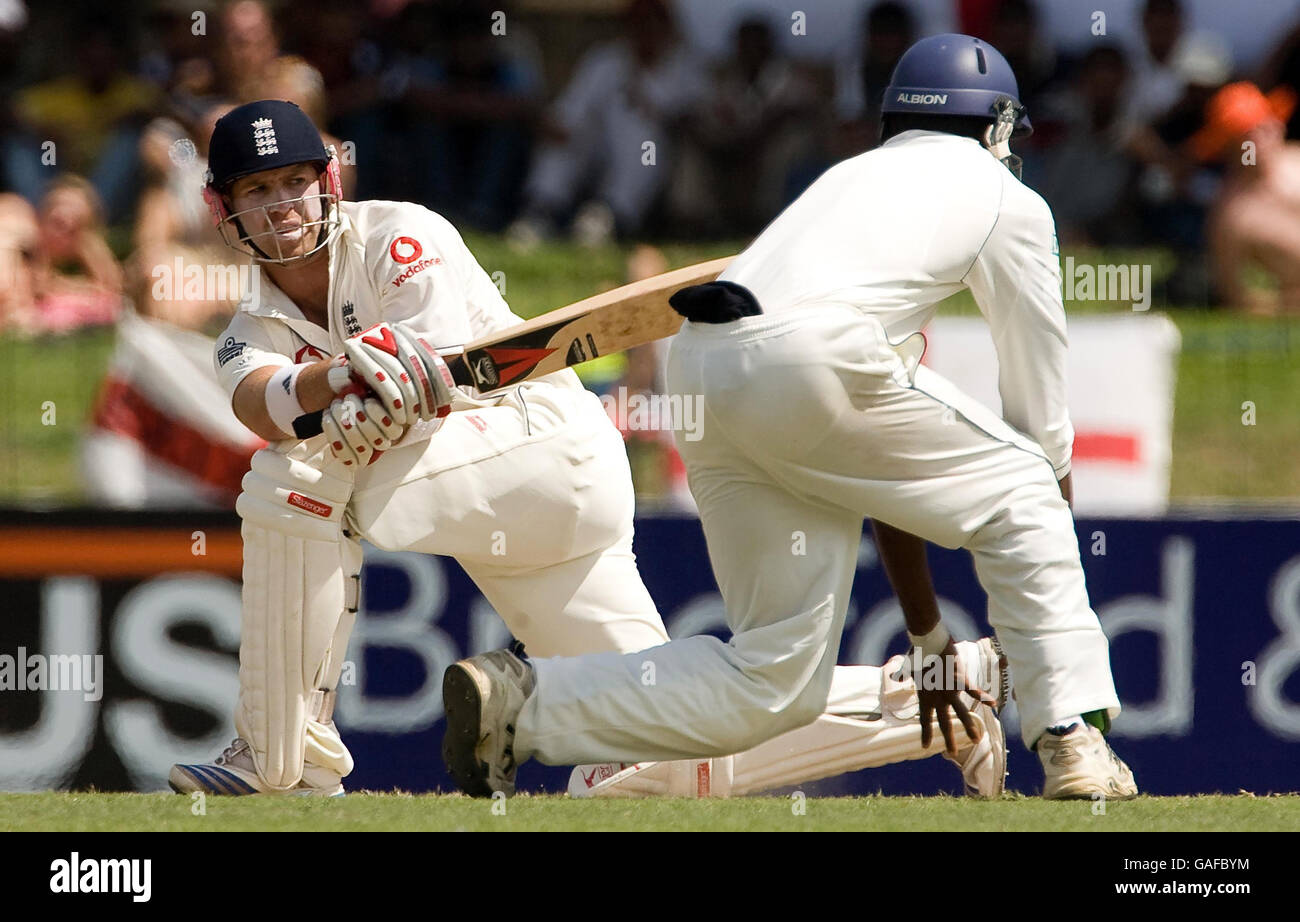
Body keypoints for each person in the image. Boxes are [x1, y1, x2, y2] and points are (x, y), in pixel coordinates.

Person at [167, 99, 1008, 798]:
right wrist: (331, 384)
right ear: (225, 212)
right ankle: (931, 697)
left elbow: (415, 399)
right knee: (657, 762)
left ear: (329, 183)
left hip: (542, 451)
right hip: (505, 523)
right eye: (257, 191)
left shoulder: (399, 238)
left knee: (299, 478)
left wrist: (357, 399)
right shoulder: (249, 328)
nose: (283, 207)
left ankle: (282, 763)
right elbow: (263, 401)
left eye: (294, 183)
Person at [444, 34, 1139, 803]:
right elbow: (1040, 420)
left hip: (705, 365)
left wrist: (927, 636)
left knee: (776, 678)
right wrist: (1050, 516)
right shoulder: (1008, 198)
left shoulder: (848, 189)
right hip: (813, 358)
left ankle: (524, 704)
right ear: (999, 128)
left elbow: (879, 466)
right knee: (1026, 482)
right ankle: (1071, 738)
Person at [1194, 82, 1300, 314]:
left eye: (1264, 126)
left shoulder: (1296, 160)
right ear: (1231, 147)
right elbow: (1236, 297)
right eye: (1246, 135)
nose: (1260, 139)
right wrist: (1286, 305)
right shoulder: (1232, 217)